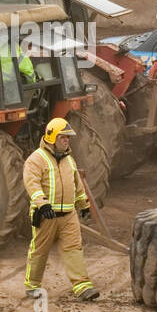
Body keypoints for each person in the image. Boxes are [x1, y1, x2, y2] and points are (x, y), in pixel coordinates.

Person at [23, 117, 98, 302]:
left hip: (68, 216)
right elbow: (32, 184)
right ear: (52, 138)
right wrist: (43, 204)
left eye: (68, 138)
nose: (67, 141)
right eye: (63, 137)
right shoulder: (36, 160)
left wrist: (84, 205)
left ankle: (82, 287)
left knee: (74, 248)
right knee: (39, 251)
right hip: (45, 215)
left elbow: (77, 185)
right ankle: (33, 286)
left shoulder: (69, 160)